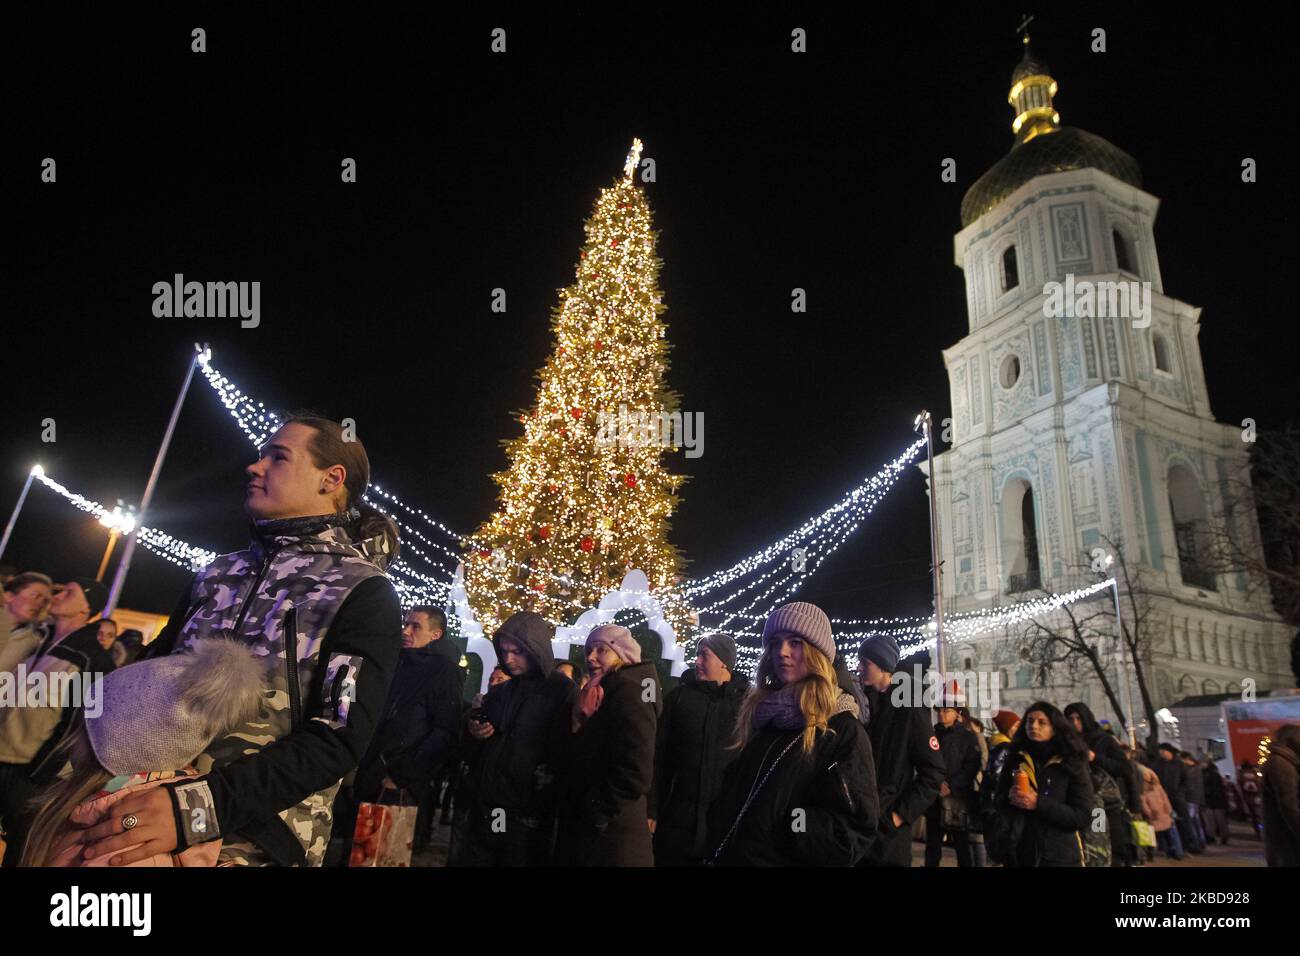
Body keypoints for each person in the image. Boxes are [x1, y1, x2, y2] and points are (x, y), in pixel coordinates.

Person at [69, 413, 403, 867]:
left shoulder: (363, 591)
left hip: (260, 836)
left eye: (278, 457)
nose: (255, 466)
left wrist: (195, 810)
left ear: (331, 478)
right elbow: (152, 674)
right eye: (260, 454)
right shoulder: (215, 574)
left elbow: (338, 738)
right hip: (144, 795)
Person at [20, 638, 266, 866]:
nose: (72, 738)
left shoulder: (120, 853)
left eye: (84, 726)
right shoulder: (96, 810)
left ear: (115, 746)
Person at [706, 602, 878, 866]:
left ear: (818, 653)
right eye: (775, 642)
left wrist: (786, 826)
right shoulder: (762, 716)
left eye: (796, 642)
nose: (782, 652)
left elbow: (853, 832)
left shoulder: (842, 730)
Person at [0, 577, 116, 866]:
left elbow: (82, 726)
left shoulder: (92, 660)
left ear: (86, 607)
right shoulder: (39, 642)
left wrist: (38, 777)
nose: (58, 594)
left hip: (30, 777)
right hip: (4, 758)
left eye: (69, 591)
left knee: (21, 854)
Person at [449, 610, 576, 867]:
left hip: (525, 810)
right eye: (504, 651)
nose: (509, 659)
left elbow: (566, 747)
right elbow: (476, 734)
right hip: (487, 802)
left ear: (535, 648)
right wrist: (473, 728)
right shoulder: (502, 690)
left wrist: (547, 789)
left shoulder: (561, 690)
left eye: (517, 651)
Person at [338, 605, 464, 861]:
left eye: (416, 626)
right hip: (366, 777)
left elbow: (445, 730)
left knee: (377, 857)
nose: (405, 630)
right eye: (405, 623)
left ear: (435, 634)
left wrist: (402, 774)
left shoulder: (444, 671)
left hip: (394, 784)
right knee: (352, 854)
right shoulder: (393, 660)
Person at [554, 623, 661, 866]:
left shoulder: (630, 692)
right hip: (595, 829)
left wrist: (597, 812)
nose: (591, 657)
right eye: (589, 650)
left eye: (601, 650)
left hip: (613, 836)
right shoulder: (599, 691)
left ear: (622, 654)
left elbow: (636, 769)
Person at [649, 632, 749, 866]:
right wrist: (651, 808)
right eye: (696, 655)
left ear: (725, 662)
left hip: (724, 828)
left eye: (704, 655)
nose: (697, 661)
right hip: (676, 826)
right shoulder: (680, 698)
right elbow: (659, 757)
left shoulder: (746, 704)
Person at [856, 634, 945, 867]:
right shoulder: (862, 706)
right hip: (857, 828)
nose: (860, 668)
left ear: (884, 666)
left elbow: (933, 772)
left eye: (866, 663)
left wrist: (898, 816)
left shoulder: (909, 707)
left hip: (887, 841)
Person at [989, 701, 1095, 867]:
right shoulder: (1016, 758)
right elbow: (997, 800)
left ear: (1055, 728)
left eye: (1041, 722)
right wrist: (1008, 798)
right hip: (1020, 851)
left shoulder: (1071, 763)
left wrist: (1038, 803)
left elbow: (1082, 815)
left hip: (1059, 855)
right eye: (1029, 721)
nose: (1034, 726)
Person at [1065, 702, 1138, 866]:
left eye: (1078, 718)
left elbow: (1125, 769)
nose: (1075, 722)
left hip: (1104, 805)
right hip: (1081, 802)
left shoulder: (1104, 740)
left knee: (1105, 842)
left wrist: (1095, 758)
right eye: (1071, 719)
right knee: (1089, 845)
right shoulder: (1067, 743)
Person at [925, 693, 980, 867]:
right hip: (935, 797)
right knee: (932, 846)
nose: (941, 714)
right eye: (939, 710)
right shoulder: (932, 734)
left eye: (946, 710)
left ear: (957, 713)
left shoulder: (967, 737)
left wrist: (952, 785)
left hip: (958, 799)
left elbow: (972, 766)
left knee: (961, 845)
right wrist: (934, 783)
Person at [1260, 723, 1300, 867]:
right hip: (1286, 840)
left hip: (1284, 839)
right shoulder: (1281, 763)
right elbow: (1289, 806)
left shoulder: (1286, 761)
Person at [0, 572, 53, 674]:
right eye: (34, 595)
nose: (39, 604)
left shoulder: (33, 644)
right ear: (9, 596)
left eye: (45, 601)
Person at [1154, 742, 1202, 854]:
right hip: (1164, 798)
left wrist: (1180, 792)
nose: (1161, 753)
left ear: (1168, 752)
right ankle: (1171, 846)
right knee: (1167, 823)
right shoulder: (1158, 764)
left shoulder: (1179, 764)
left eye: (1163, 751)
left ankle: (1190, 845)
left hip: (1178, 798)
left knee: (1184, 822)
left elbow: (1187, 780)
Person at [1139, 763, 1182, 860]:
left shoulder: (1156, 787)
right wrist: (1150, 813)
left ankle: (1173, 852)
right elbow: (1144, 804)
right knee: (1161, 835)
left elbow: (1165, 799)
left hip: (1161, 813)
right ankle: (1169, 852)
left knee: (1166, 834)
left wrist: (1169, 810)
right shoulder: (1145, 789)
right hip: (1156, 815)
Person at [1201, 757, 1230, 846]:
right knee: (1216, 820)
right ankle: (1220, 837)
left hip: (1215, 801)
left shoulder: (1211, 774)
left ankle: (1217, 836)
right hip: (1216, 801)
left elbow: (1214, 788)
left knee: (1216, 820)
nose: (1202, 765)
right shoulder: (1212, 773)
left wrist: (1204, 792)